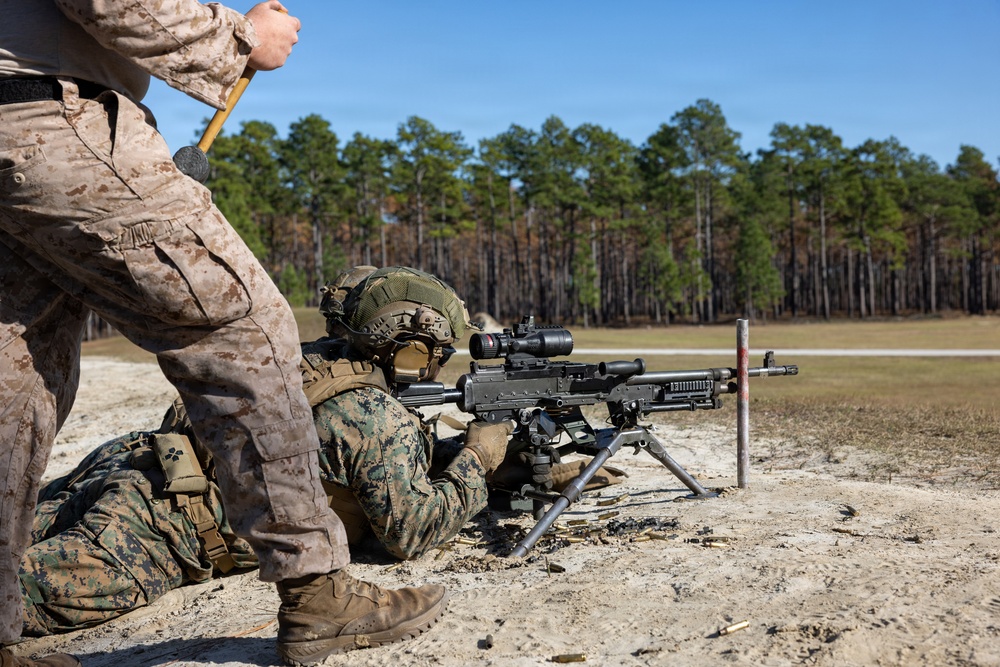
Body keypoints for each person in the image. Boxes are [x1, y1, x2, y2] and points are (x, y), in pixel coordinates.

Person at [0, 5, 441, 666]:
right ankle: (317, 591)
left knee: (14, 382)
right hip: (55, 119)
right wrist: (237, 38)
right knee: (244, 324)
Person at [18, 266, 514, 639]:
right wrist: (478, 459)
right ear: (410, 351)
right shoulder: (373, 414)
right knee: (17, 598)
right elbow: (412, 530)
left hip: (136, 464)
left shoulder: (311, 362)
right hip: (157, 528)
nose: (438, 366)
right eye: (437, 354)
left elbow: (355, 462)